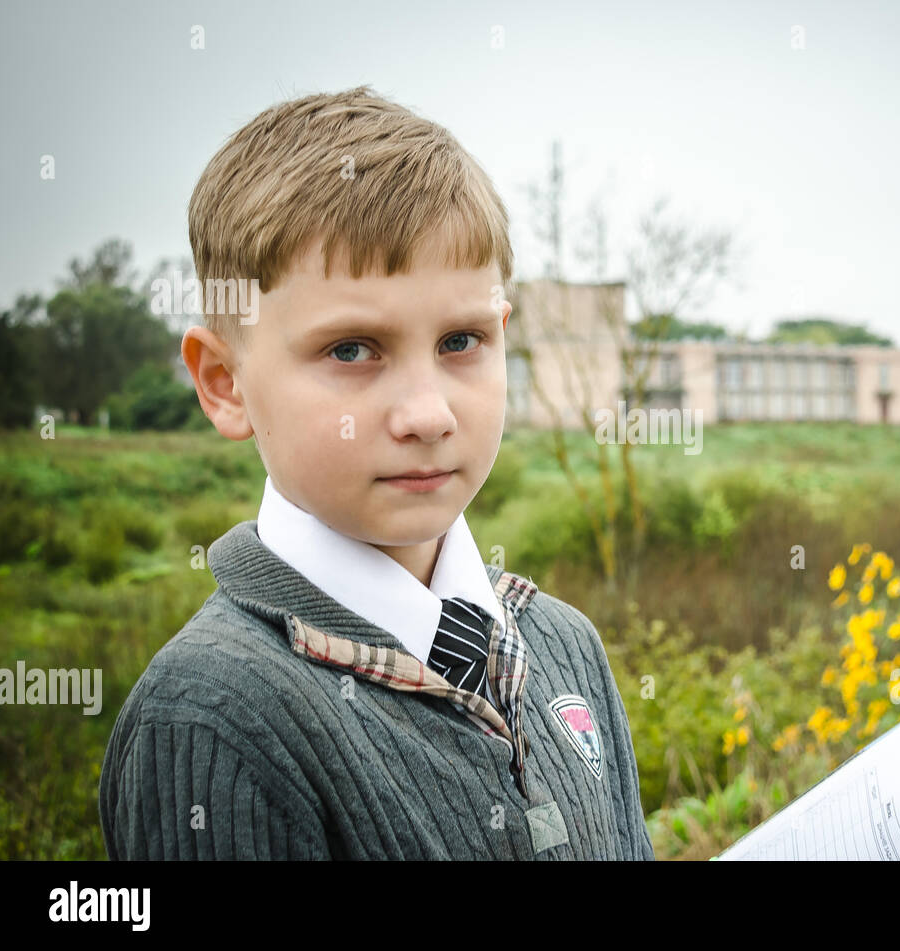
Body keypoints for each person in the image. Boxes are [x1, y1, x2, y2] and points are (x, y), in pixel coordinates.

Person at [97, 86, 654, 860]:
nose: (427, 414)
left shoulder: (564, 645)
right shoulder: (213, 718)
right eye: (352, 350)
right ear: (225, 383)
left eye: (461, 341)